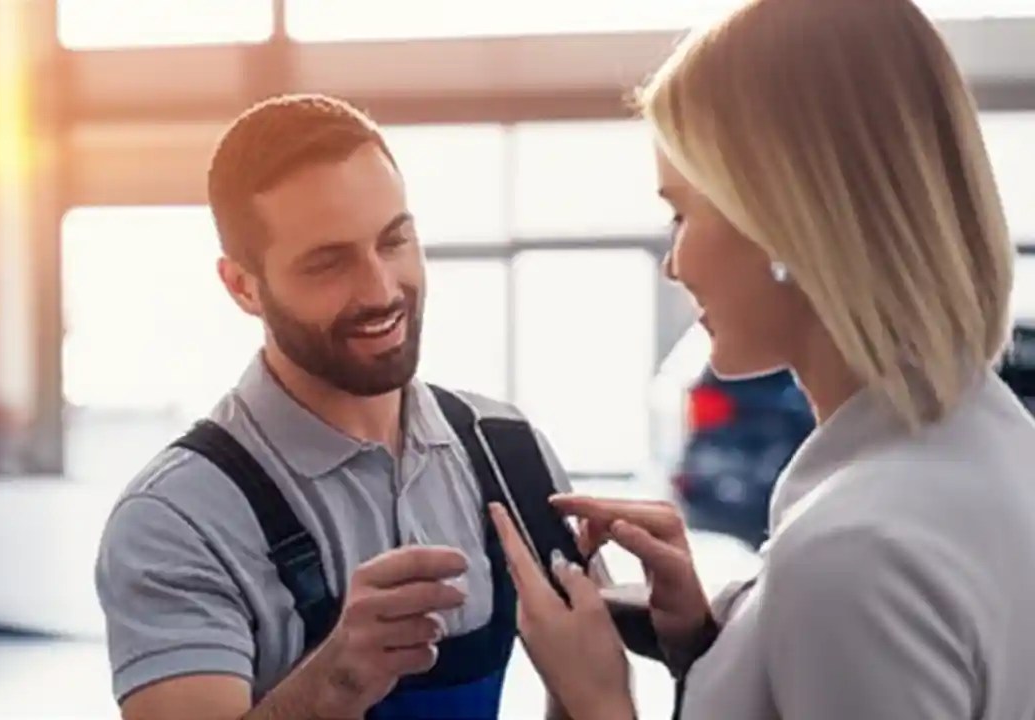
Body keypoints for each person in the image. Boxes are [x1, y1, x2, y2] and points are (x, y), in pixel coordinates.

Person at [490, 0, 1035, 718]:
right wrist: (718, 643)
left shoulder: (852, 553)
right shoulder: (996, 453)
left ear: (780, 212)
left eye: (683, 213)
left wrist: (595, 703)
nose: (674, 263)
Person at [94, 94, 584, 720]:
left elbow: (584, 690)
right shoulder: (176, 520)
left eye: (394, 240)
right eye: (329, 263)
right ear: (243, 286)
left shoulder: (510, 453)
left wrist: (694, 641)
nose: (380, 290)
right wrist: (334, 685)